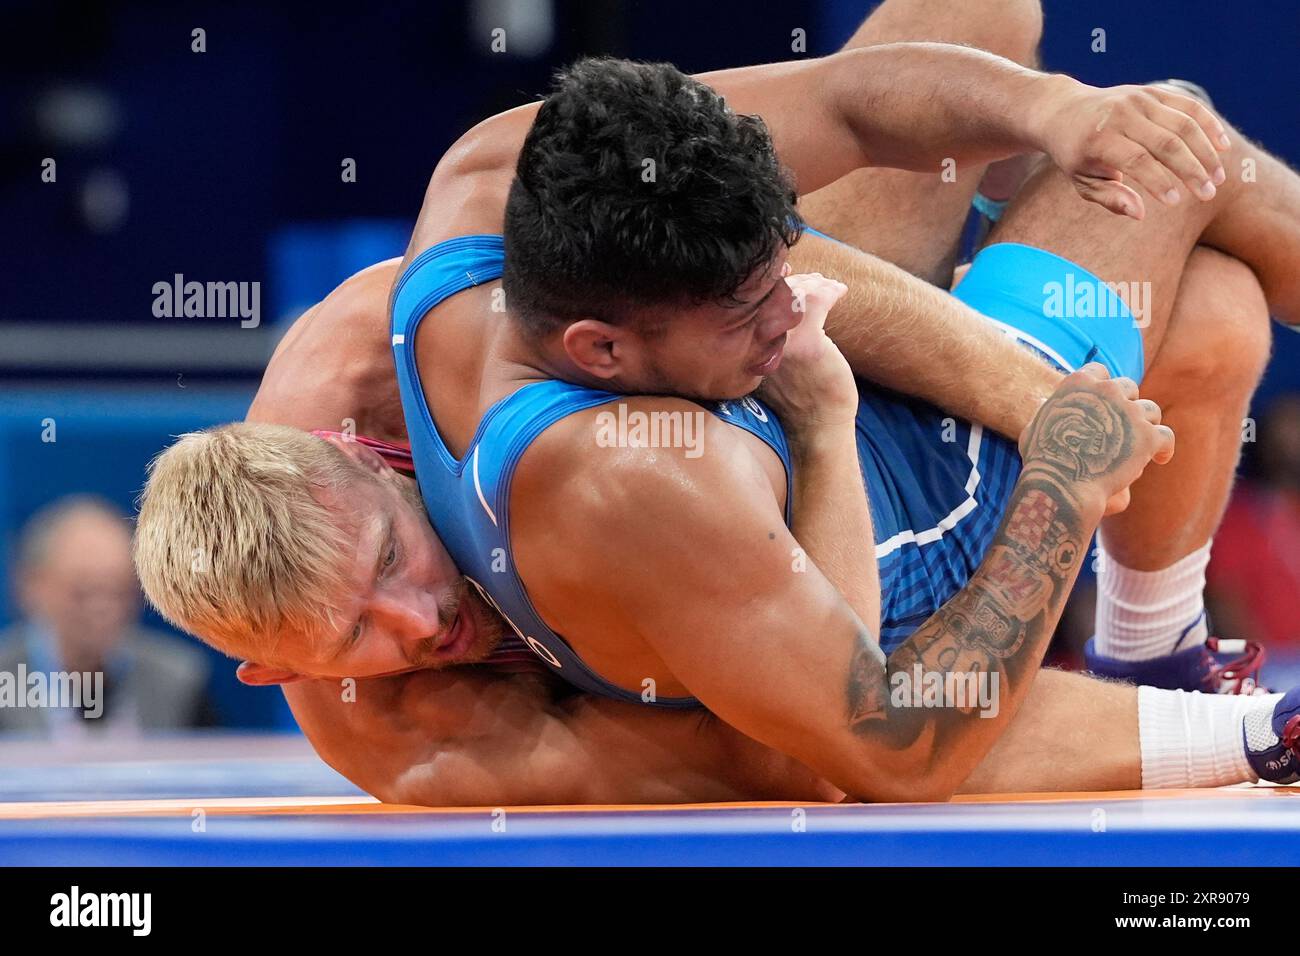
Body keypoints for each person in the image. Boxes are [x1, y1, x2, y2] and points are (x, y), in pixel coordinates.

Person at [135, 0, 1300, 803]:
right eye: (352, 637)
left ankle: (1155, 647)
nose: (417, 620)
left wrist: (1058, 122)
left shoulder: (434, 255)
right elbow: (836, 751)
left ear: (362, 449)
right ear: (278, 675)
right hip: (887, 551)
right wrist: (1040, 474)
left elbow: (829, 147)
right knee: (1183, 165)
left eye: (389, 559)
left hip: (781, 424)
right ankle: (1166, 667)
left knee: (998, 39)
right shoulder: (431, 726)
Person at [1, 496, 214, 738]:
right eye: (83, 592)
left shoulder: (179, 680)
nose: (103, 609)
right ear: (32, 586)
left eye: (120, 592)